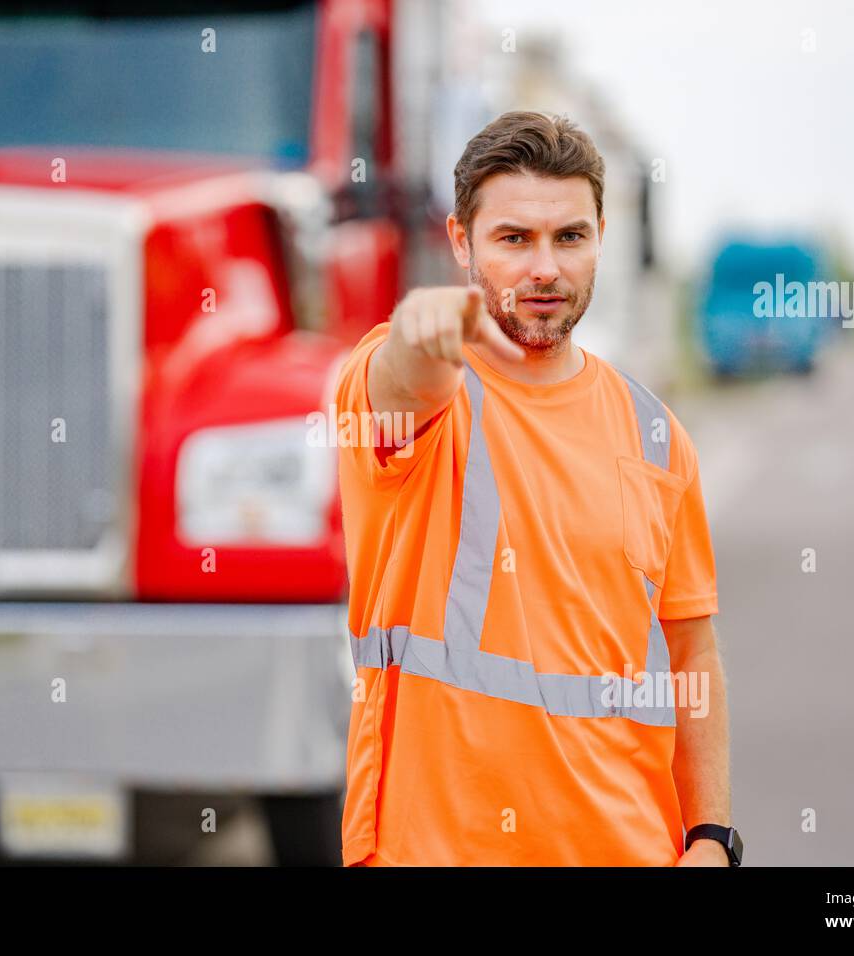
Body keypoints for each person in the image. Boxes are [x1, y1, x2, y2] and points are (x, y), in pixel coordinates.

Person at [333, 111, 738, 866]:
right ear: (461, 241)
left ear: (601, 238)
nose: (545, 268)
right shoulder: (421, 397)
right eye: (514, 239)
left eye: (570, 237)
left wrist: (711, 835)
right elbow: (401, 388)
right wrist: (422, 334)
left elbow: (691, 653)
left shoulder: (655, 434)